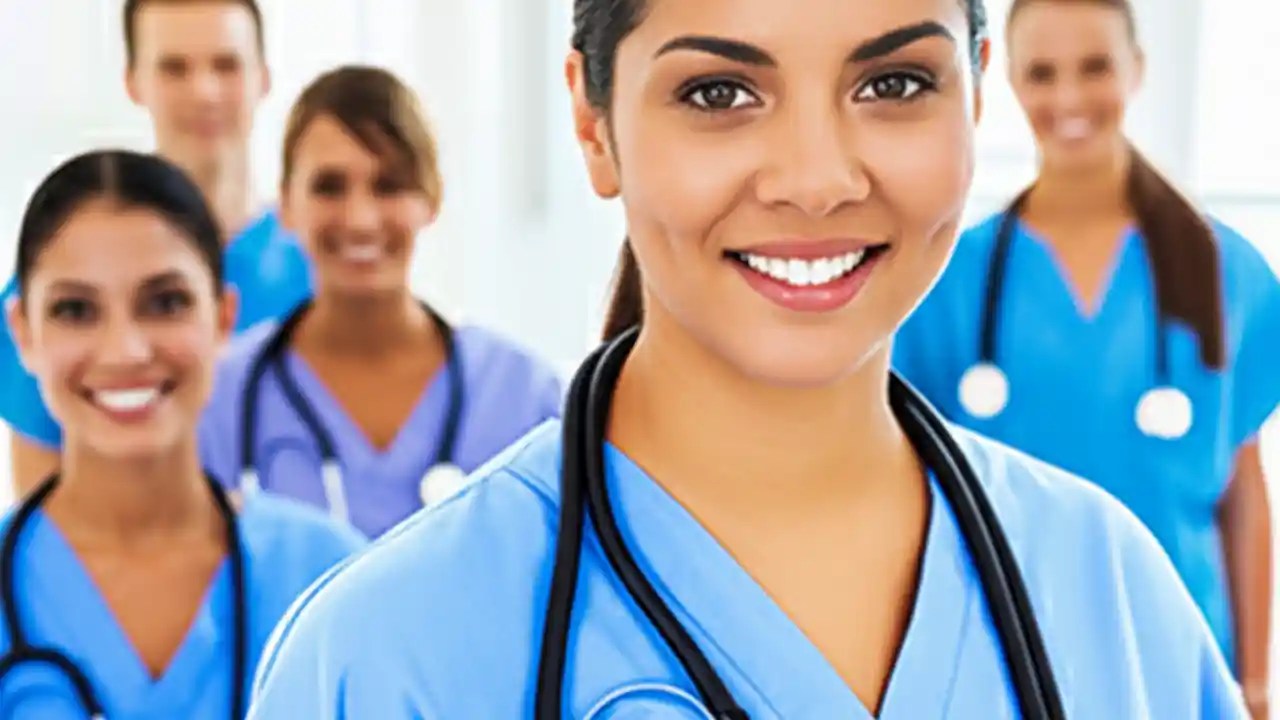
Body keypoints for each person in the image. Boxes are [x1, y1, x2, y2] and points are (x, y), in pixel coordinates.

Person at [245, 1, 1246, 717]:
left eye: (893, 82)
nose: (814, 180)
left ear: (973, 101)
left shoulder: (1114, 598)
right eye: (718, 91)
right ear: (593, 123)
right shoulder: (378, 656)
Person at [890, 0, 1279, 714]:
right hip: (999, 652)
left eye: (1094, 67)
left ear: (1137, 70)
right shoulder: (950, 282)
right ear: (1006, 81)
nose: (1068, 98)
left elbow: (1242, 495)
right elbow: (907, 495)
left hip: (1178, 657)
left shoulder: (1229, 273)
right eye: (1042, 73)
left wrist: (1253, 686)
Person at [0, 150, 365, 718]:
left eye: (165, 303)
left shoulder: (328, 574)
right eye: (75, 310)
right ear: (22, 332)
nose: (125, 351)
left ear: (222, 317)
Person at [197, 66, 563, 539]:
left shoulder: (522, 396)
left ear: (431, 198)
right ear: (286, 205)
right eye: (329, 186)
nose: (361, 219)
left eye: (389, 185)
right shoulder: (223, 401)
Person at [0, 0, 312, 494]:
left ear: (263, 77)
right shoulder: (52, 286)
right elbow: (43, 527)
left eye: (225, 65)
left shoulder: (319, 271)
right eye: (174, 68)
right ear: (133, 81)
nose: (204, 90)